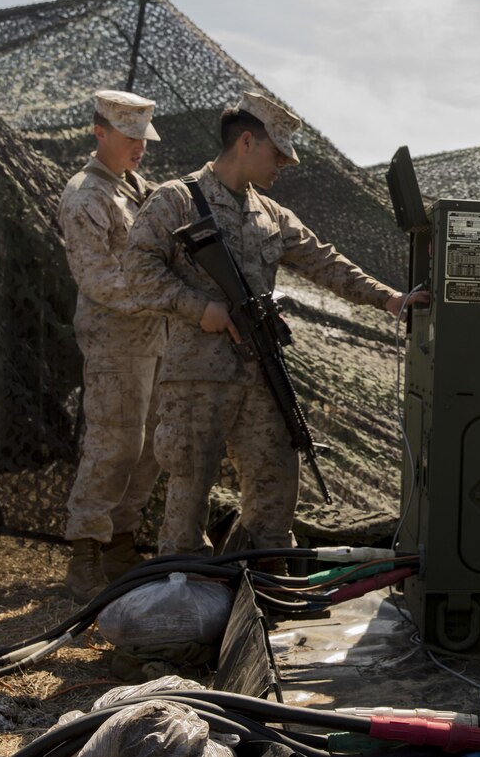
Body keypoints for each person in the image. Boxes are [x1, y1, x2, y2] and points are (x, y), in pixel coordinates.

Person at [124, 91, 427, 559]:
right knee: (190, 486)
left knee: (276, 481)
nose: (283, 165)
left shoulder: (270, 214)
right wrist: (199, 308)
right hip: (198, 375)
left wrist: (388, 299)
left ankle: (265, 576)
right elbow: (137, 270)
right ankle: (182, 584)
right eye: (278, 153)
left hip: (261, 371)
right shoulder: (178, 200)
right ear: (246, 141)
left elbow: (324, 261)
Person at [58, 89, 166, 601]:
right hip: (115, 342)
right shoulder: (86, 195)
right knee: (114, 445)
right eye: (129, 137)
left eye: (144, 138)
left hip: (155, 337)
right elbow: (98, 278)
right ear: (100, 133)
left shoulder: (138, 188)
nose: (139, 147)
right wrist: (167, 297)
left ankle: (121, 543)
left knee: (150, 446)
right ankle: (84, 552)